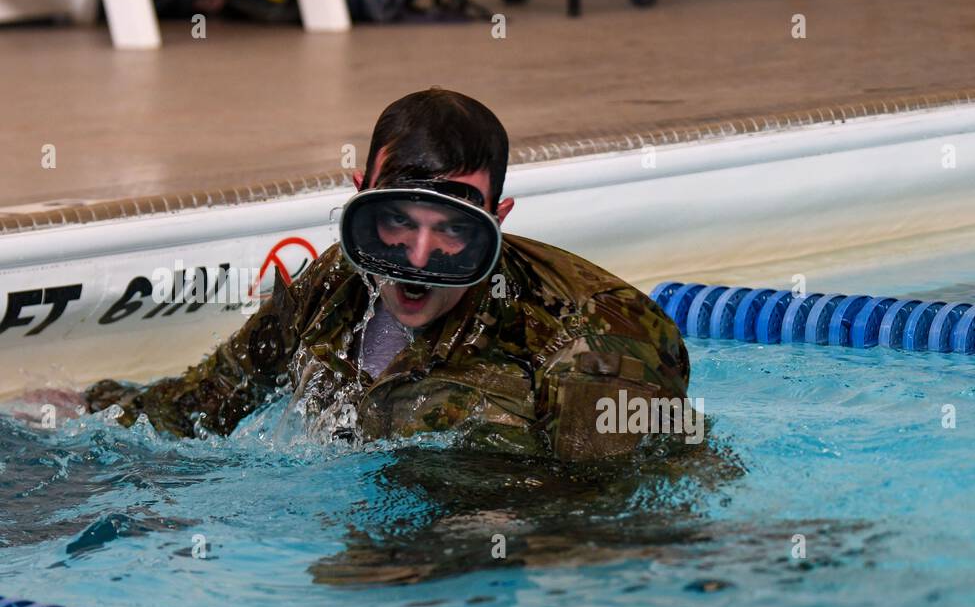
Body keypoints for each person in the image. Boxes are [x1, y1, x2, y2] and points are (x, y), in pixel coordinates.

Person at [83, 88, 691, 461]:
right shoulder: (336, 283)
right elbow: (207, 402)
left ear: (498, 219)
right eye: (396, 220)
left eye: (452, 228)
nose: (419, 258)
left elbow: (616, 519)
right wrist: (86, 411)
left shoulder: (591, 337)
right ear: (361, 198)